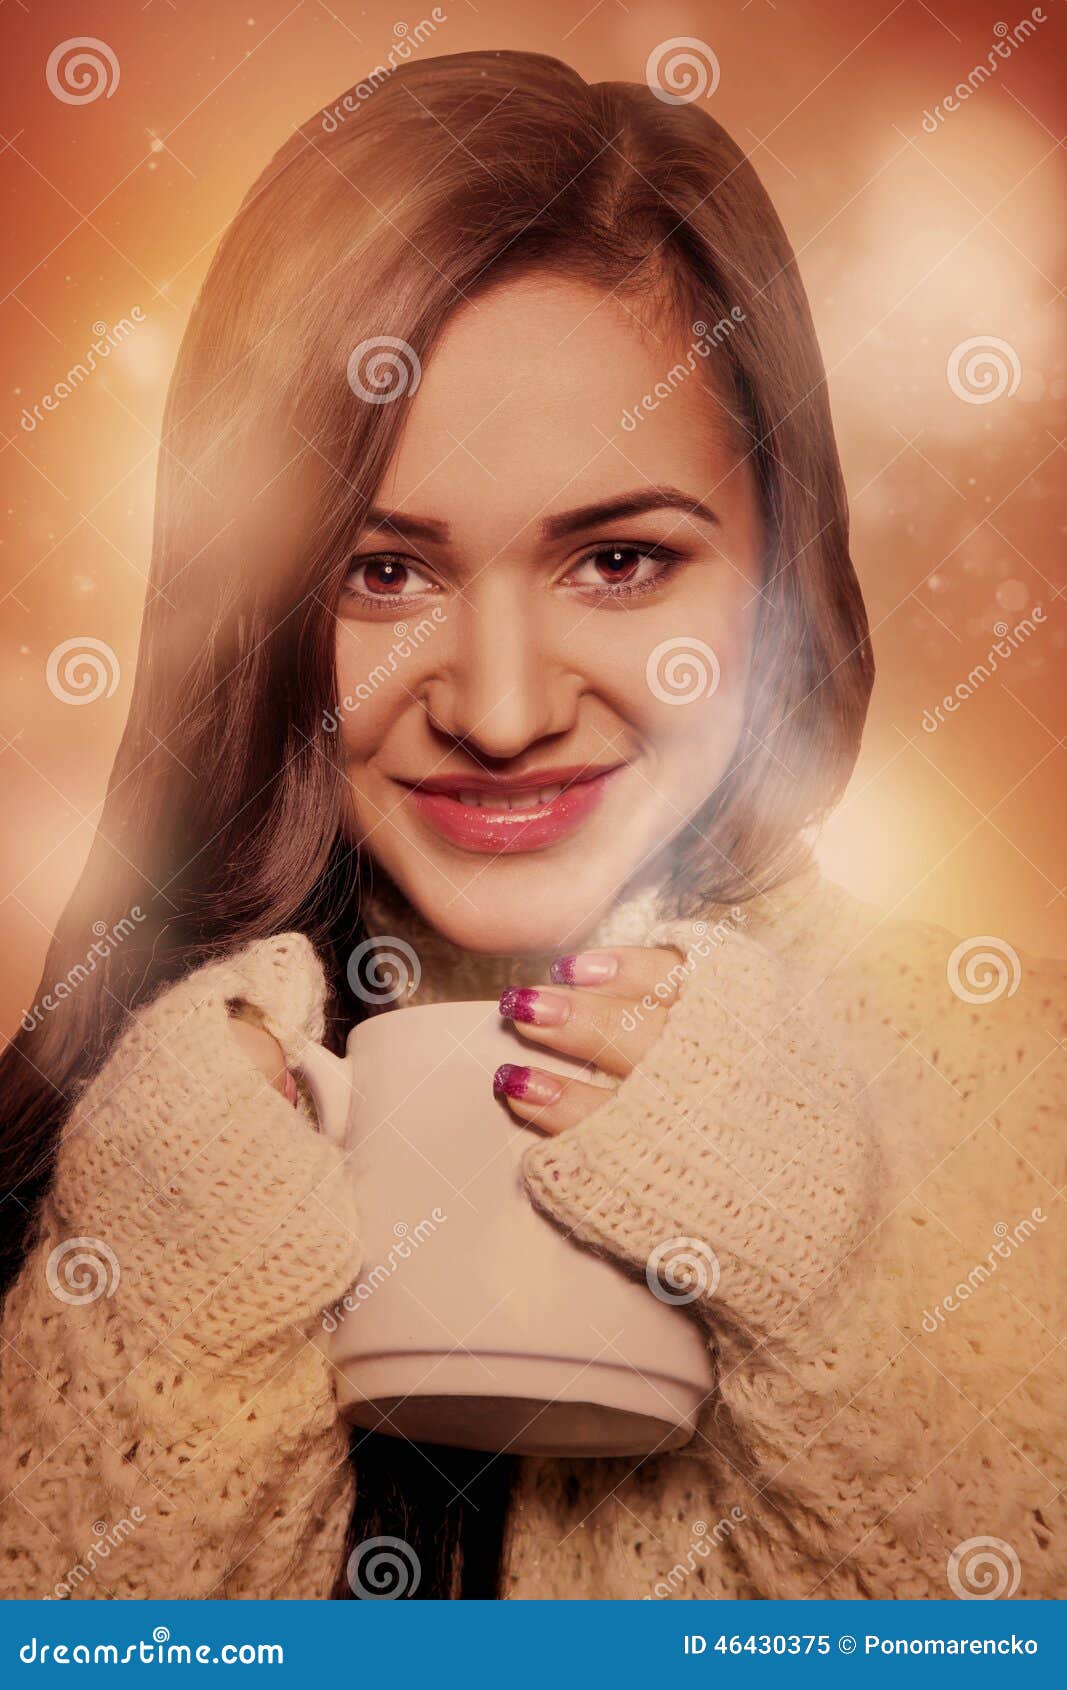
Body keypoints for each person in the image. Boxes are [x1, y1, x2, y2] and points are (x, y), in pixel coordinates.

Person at [1, 49, 1062, 1602]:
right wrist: (157, 1306)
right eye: (384, 571)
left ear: (784, 562)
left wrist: (836, 1296)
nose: (499, 710)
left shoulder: (1033, 1095)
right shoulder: (88, 1137)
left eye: (620, 560)